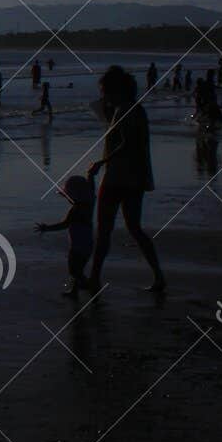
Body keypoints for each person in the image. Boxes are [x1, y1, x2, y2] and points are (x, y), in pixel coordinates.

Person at [87, 65, 166, 292]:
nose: (102, 96)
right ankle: (158, 275)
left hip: (116, 178)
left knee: (104, 230)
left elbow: (125, 143)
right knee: (134, 228)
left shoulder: (124, 111)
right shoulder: (134, 109)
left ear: (115, 90)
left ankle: (94, 278)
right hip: (135, 179)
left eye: (104, 91)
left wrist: (100, 162)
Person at [35, 176, 95, 295]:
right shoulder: (90, 205)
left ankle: (90, 286)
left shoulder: (75, 209)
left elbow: (64, 224)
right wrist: (91, 176)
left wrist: (46, 228)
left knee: (73, 271)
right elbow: (92, 188)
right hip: (87, 243)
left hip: (78, 245)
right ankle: (74, 291)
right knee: (78, 269)